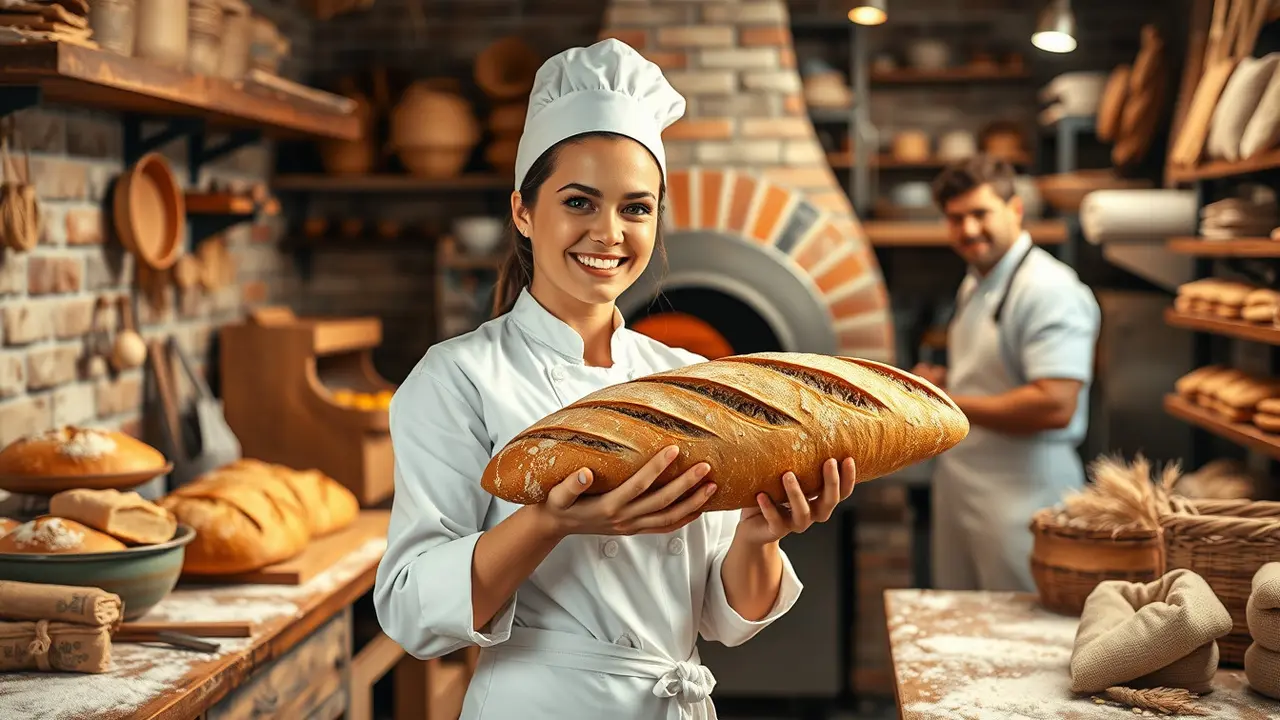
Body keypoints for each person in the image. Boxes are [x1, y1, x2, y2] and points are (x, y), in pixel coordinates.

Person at [373, 39, 857, 720]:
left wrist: (760, 536)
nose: (609, 232)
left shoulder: (687, 377)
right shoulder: (458, 378)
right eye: (579, 202)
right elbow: (410, 607)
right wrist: (549, 524)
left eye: (635, 207)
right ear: (522, 211)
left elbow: (726, 615)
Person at [911, 154, 1101, 593]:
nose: (969, 230)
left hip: (1024, 498)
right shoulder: (976, 280)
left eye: (981, 214)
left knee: (1019, 641)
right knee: (962, 628)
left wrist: (943, 403)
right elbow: (987, 378)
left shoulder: (1049, 290)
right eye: (956, 219)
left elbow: (1056, 403)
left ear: (1015, 209)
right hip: (966, 486)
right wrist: (942, 384)